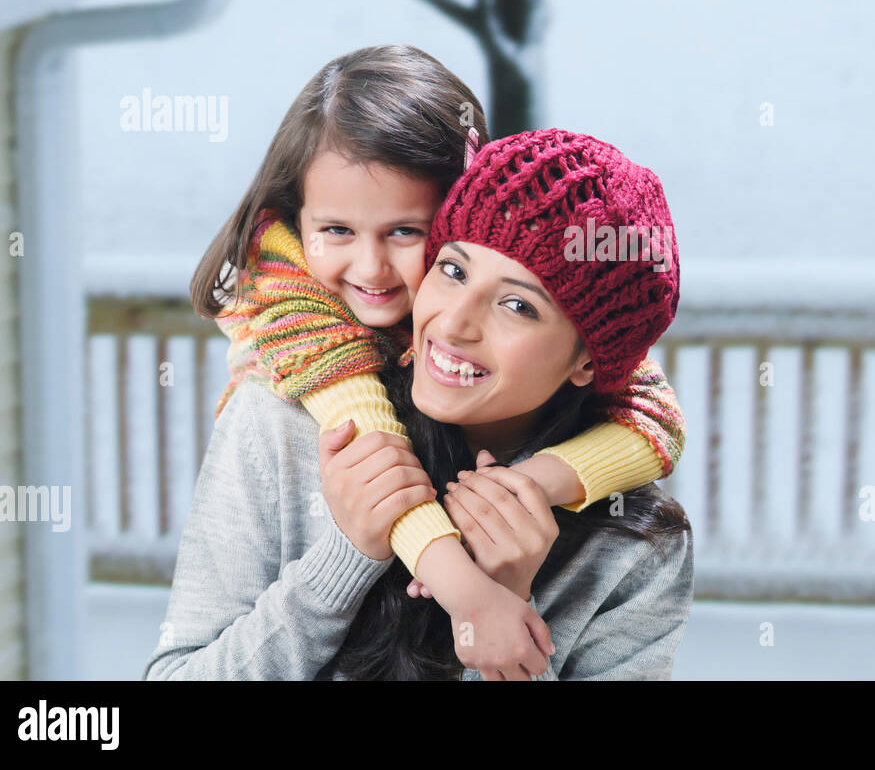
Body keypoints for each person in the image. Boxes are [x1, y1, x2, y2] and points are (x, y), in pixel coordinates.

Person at [145, 45, 685, 678]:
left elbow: (648, 406)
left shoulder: (633, 544)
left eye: (517, 306)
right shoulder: (280, 420)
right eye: (453, 269)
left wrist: (508, 599)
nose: (455, 322)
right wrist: (343, 560)